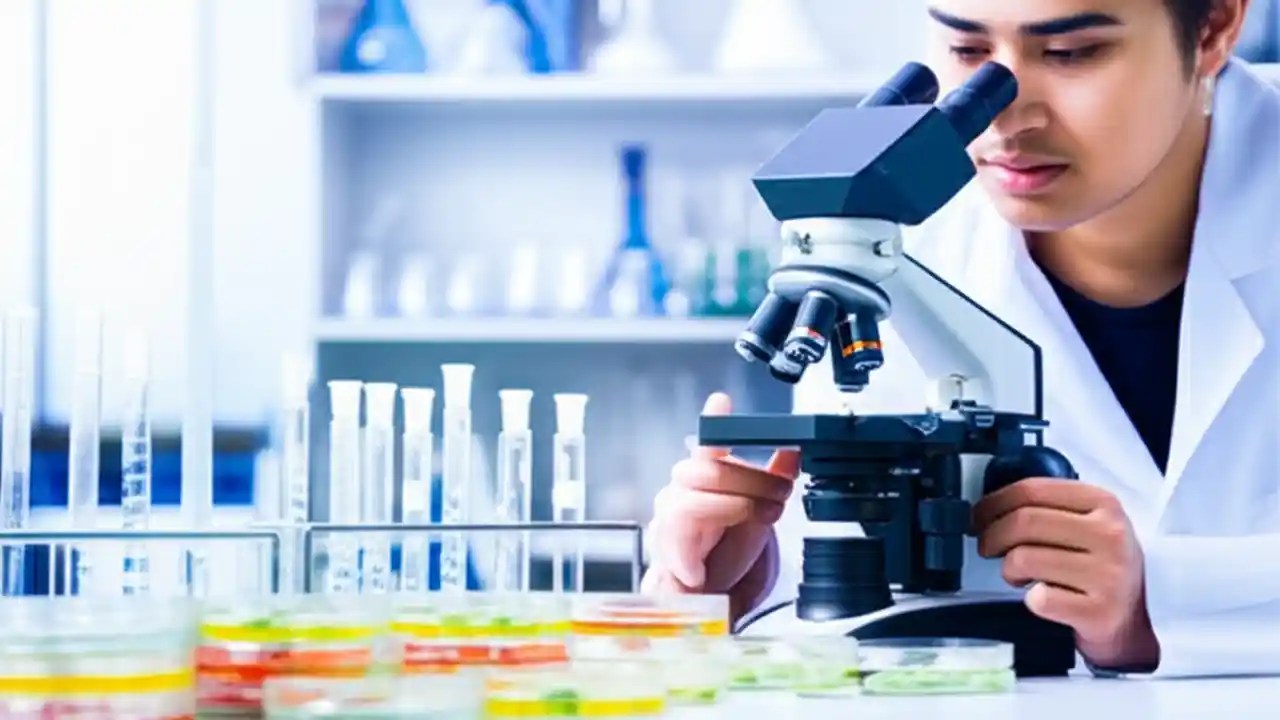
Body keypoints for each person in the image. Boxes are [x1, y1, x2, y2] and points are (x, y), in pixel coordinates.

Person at [642, 0, 1280, 678]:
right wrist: (728, 590)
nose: (1006, 116)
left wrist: (1162, 605)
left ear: (1213, 29)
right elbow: (847, 583)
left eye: (1070, 54)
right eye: (968, 52)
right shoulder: (904, 237)